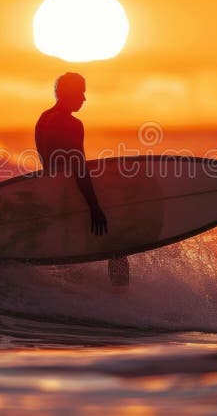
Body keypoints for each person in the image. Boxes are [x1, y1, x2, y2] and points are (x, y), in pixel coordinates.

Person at [35, 72, 130, 286]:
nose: (84, 99)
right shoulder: (72, 123)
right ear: (69, 93)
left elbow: (51, 163)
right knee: (118, 242)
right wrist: (95, 208)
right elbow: (78, 166)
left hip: (54, 192)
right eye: (81, 92)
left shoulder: (43, 118)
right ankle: (122, 296)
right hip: (72, 193)